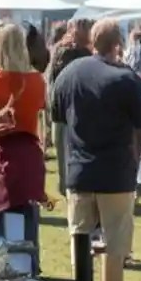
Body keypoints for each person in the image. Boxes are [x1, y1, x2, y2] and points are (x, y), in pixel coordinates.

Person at [51, 19, 141, 281]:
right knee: (115, 244)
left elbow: (58, 125)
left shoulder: (69, 74)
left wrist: (61, 172)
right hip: (116, 174)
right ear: (117, 45)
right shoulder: (126, 79)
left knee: (79, 238)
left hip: (79, 172)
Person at [0, 22, 49, 274]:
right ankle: (30, 273)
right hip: (29, 154)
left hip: (0, 157)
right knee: (28, 220)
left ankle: (2, 275)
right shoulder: (37, 80)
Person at [46, 18, 93, 192]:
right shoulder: (74, 52)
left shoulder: (62, 50)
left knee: (65, 155)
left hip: (66, 110)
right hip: (72, 111)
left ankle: (68, 186)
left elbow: (52, 81)